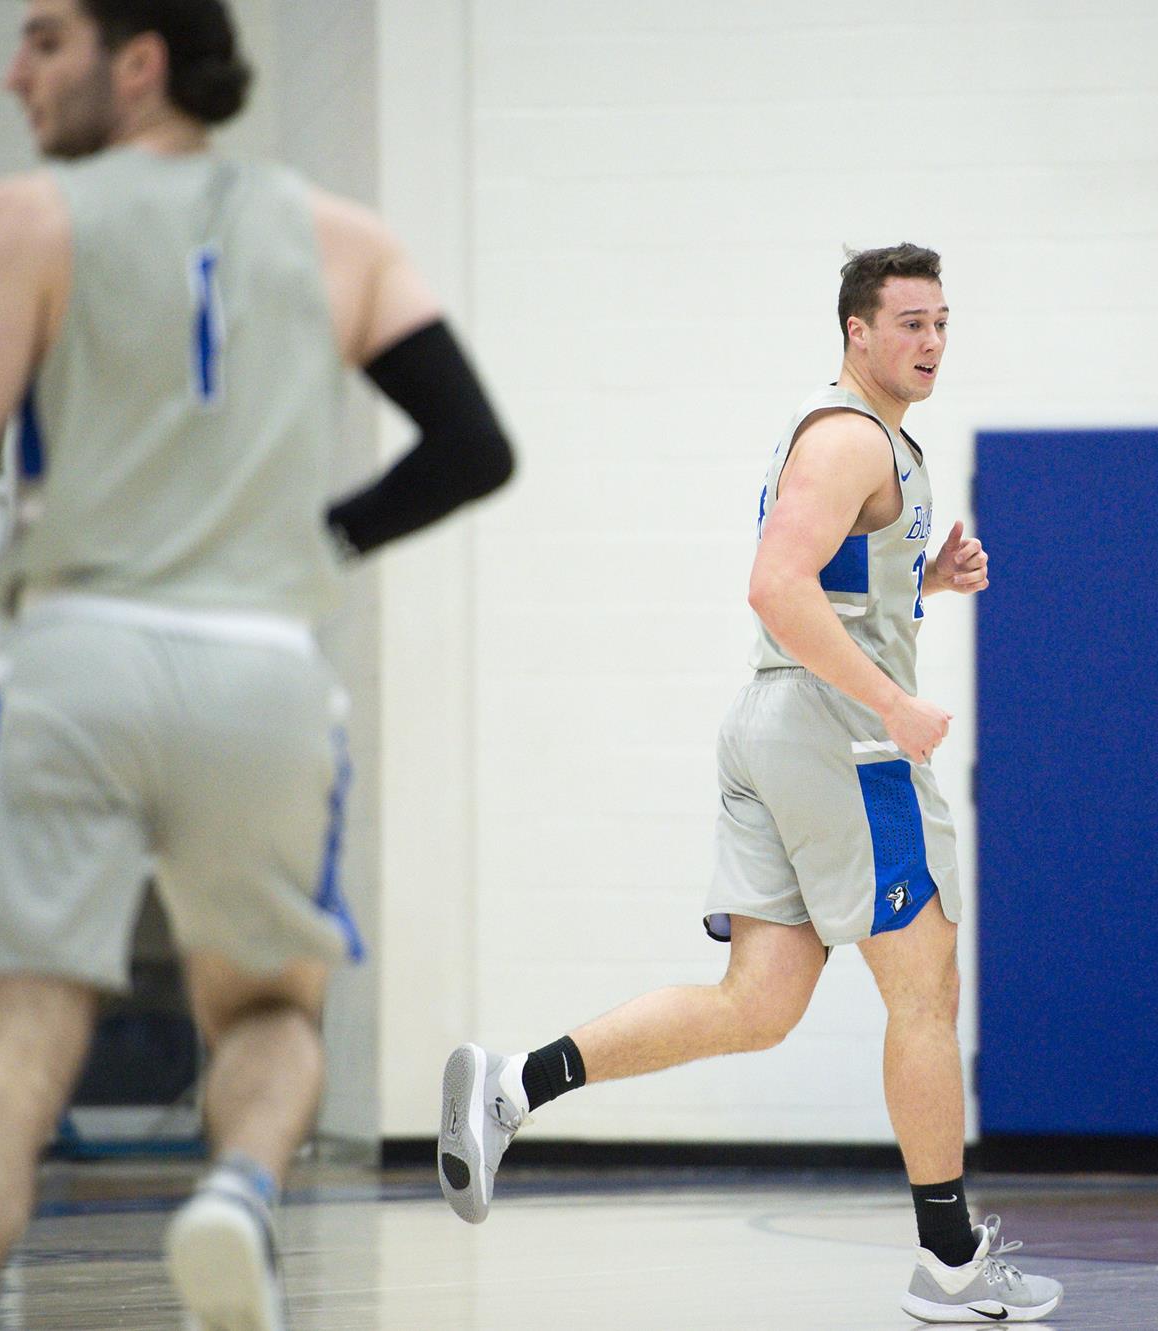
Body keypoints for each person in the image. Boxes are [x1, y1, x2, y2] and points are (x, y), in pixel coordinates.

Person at [0, 2, 512, 1328]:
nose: (13, 72)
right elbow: (473, 447)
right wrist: (320, 541)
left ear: (139, 61)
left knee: (12, 1058)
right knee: (271, 1010)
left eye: (44, 41)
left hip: (80, 656)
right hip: (262, 670)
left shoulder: (31, 216)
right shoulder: (346, 236)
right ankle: (236, 1187)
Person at [437, 244, 1060, 1323]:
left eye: (941, 323)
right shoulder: (849, 436)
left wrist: (923, 579)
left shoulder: (862, 438)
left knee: (757, 1005)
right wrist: (894, 704)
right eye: (908, 323)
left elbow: (830, 583)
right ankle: (951, 1261)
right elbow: (775, 586)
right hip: (839, 738)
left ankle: (513, 1084)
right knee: (925, 992)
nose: (930, 342)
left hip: (779, 726)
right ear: (856, 331)